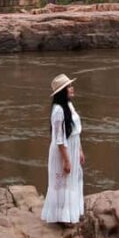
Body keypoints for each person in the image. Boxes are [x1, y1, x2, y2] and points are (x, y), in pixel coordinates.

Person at [41, 74, 85, 226]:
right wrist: (66, 160)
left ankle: (72, 213)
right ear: (62, 91)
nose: (72, 88)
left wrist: (79, 150)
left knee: (73, 179)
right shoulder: (58, 110)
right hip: (63, 150)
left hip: (72, 146)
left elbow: (74, 130)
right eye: (69, 87)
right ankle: (62, 216)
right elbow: (60, 139)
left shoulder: (69, 105)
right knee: (63, 181)